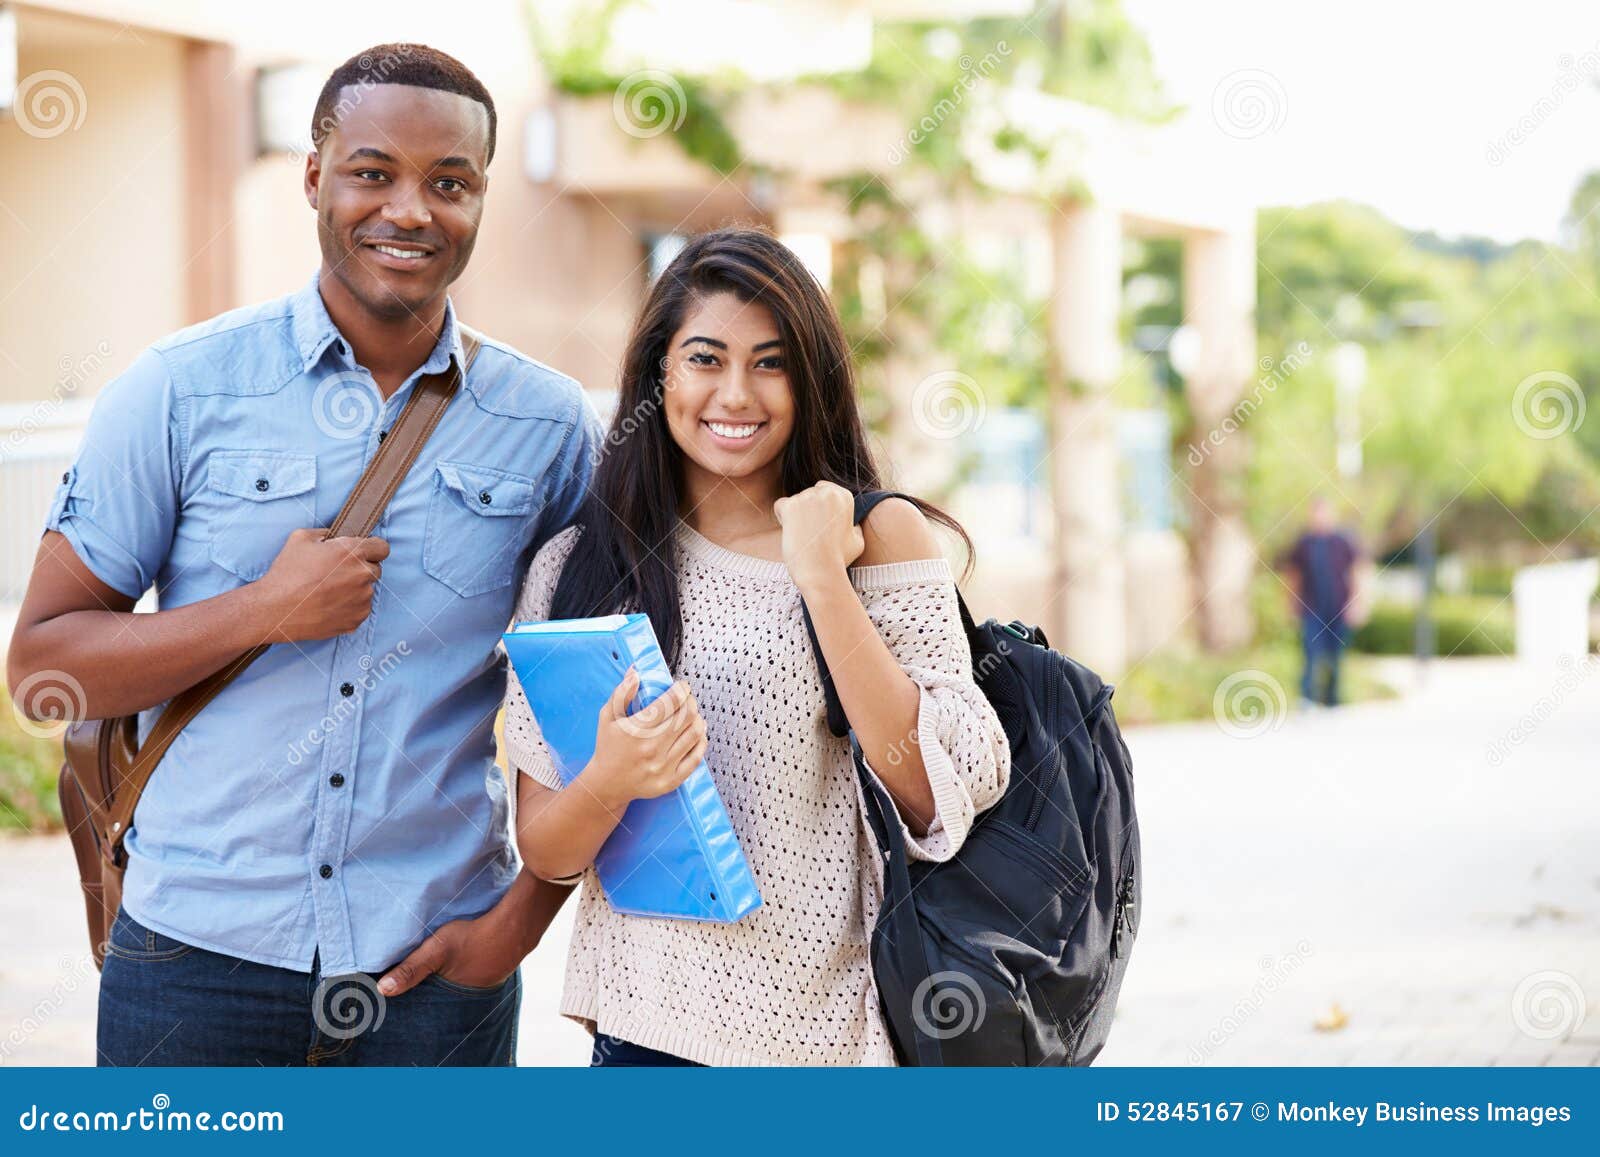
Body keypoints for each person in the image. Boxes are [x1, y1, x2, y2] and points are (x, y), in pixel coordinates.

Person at [5, 44, 598, 1066]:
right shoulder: (179, 389)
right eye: (374, 172)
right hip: (194, 962)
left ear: (482, 200)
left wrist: (515, 927)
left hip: (433, 974)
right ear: (315, 178)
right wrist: (261, 611)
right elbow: (43, 669)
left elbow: (591, 704)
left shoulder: (548, 427)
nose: (410, 210)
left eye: (449, 182)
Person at [502, 227, 1012, 1066]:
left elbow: (939, 785)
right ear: (659, 371)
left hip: (823, 1044)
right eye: (706, 358)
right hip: (644, 1040)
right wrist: (613, 777)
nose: (735, 393)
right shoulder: (582, 564)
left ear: (809, 380)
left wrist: (821, 578)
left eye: (770, 363)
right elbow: (548, 851)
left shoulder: (875, 534)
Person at [1282, 496, 1363, 708]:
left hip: (1338, 606)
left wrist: (1357, 604)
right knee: (1310, 651)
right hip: (1311, 607)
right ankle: (1307, 697)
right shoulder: (1304, 544)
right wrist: (1290, 603)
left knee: (1335, 654)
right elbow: (1293, 575)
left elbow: (1357, 573)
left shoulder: (1343, 542)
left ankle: (1332, 699)